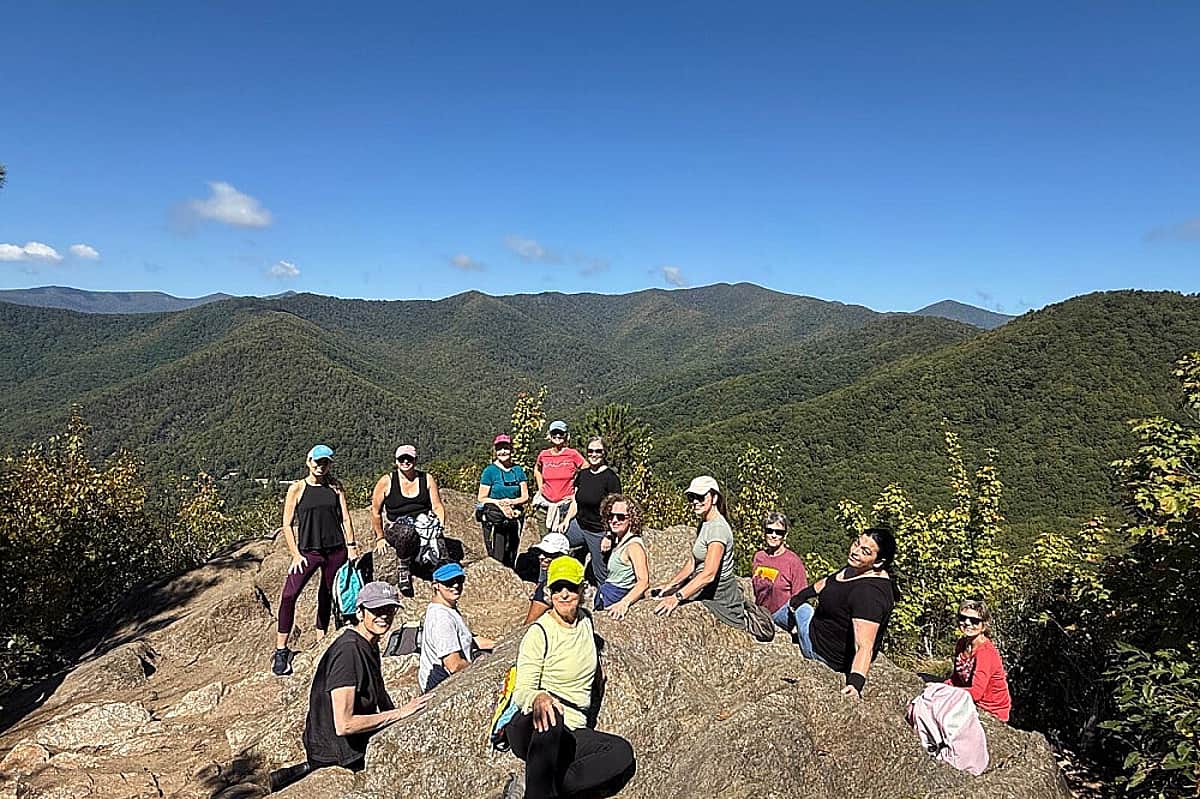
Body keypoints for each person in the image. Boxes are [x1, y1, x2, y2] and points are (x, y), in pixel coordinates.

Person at [505, 557, 636, 799]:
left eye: (571, 588)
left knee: (621, 752)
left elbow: (586, 653)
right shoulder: (539, 632)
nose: (564, 595)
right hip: (534, 726)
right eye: (557, 588)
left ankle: (537, 786)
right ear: (549, 592)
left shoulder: (586, 620)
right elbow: (522, 691)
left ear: (582, 589)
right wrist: (539, 697)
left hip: (573, 729)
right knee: (551, 717)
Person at [287, 581, 428, 785]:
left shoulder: (370, 643)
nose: (384, 616)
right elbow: (344, 725)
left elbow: (380, 694)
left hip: (347, 744)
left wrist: (403, 718)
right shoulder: (349, 651)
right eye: (376, 610)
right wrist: (398, 714)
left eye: (389, 610)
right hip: (336, 753)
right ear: (360, 612)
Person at [274, 445, 357, 677]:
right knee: (289, 594)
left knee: (329, 594)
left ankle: (322, 638)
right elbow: (287, 524)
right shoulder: (297, 488)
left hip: (335, 549)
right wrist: (295, 554)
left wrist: (351, 546)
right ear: (308, 461)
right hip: (309, 551)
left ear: (330, 464)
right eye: (317, 462)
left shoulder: (335, 487)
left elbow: (346, 518)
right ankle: (281, 650)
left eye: (325, 463)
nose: (320, 466)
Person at [787, 527, 899, 698]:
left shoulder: (869, 594)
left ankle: (770, 618)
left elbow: (865, 645)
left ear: (878, 561)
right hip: (824, 636)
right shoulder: (855, 570)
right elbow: (827, 582)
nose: (855, 551)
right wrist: (801, 596)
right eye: (856, 544)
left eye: (865, 551)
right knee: (798, 603)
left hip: (819, 650)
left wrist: (855, 684)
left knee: (797, 609)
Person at [652, 476, 746, 629]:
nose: (695, 501)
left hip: (720, 596)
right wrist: (670, 586)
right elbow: (692, 562)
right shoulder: (705, 523)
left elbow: (709, 574)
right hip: (705, 588)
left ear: (714, 497)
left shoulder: (717, 529)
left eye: (700, 496)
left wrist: (677, 597)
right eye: (692, 497)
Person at [370, 444, 448, 596]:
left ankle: (442, 579)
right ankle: (404, 567)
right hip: (397, 527)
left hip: (423, 525)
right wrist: (380, 537)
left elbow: (437, 506)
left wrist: (439, 526)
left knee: (440, 547)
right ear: (396, 461)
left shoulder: (426, 479)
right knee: (407, 532)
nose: (405, 461)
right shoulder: (387, 481)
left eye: (409, 458)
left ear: (415, 460)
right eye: (401, 458)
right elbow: (375, 511)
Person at [418, 562, 496, 692]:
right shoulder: (441, 619)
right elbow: (453, 665)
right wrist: (481, 668)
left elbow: (468, 640)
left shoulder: (447, 607)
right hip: (440, 687)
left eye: (459, 580)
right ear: (436, 585)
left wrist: (499, 645)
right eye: (448, 582)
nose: (456, 585)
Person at [563, 436, 622, 583]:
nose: (594, 454)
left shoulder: (611, 478)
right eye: (590, 451)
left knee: (600, 572)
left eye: (598, 451)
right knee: (556, 544)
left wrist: (609, 535)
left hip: (598, 531)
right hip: (579, 525)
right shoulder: (583, 474)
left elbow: (615, 509)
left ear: (604, 453)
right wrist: (566, 521)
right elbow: (576, 501)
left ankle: (606, 600)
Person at [946, 598, 1012, 722]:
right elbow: (956, 679)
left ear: (984, 626)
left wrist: (947, 692)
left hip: (991, 709)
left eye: (974, 620)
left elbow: (976, 693)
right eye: (962, 618)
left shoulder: (986, 652)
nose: (967, 623)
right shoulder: (961, 644)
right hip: (970, 702)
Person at [478, 434, 530, 568]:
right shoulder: (490, 471)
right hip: (496, 518)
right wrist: (501, 504)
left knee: (512, 552)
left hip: (514, 516)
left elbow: (525, 496)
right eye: (499, 449)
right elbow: (482, 497)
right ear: (495, 451)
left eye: (506, 448)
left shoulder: (518, 470)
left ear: (511, 449)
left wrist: (511, 502)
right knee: (497, 554)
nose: (503, 452)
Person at [594, 494, 649, 621]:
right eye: (610, 516)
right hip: (608, 594)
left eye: (620, 517)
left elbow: (643, 581)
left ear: (632, 519)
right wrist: (609, 536)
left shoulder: (633, 546)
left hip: (616, 596)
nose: (614, 520)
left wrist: (624, 603)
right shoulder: (621, 541)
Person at [750, 512, 809, 630]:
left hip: (782, 614)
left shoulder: (793, 561)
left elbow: (801, 595)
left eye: (779, 532)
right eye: (769, 531)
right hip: (762, 613)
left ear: (785, 536)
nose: (773, 535)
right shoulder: (759, 557)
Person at [534, 421, 585, 535]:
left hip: (565, 508)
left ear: (566, 435)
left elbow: (586, 470)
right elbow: (537, 470)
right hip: (545, 507)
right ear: (549, 436)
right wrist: (540, 486)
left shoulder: (572, 454)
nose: (557, 436)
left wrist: (577, 490)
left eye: (561, 433)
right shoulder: (543, 455)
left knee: (564, 543)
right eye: (554, 433)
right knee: (546, 543)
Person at [525, 532, 573, 625]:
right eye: (540, 553)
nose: (541, 557)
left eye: (548, 554)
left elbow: (530, 623)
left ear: (561, 556)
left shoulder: (547, 587)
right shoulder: (576, 580)